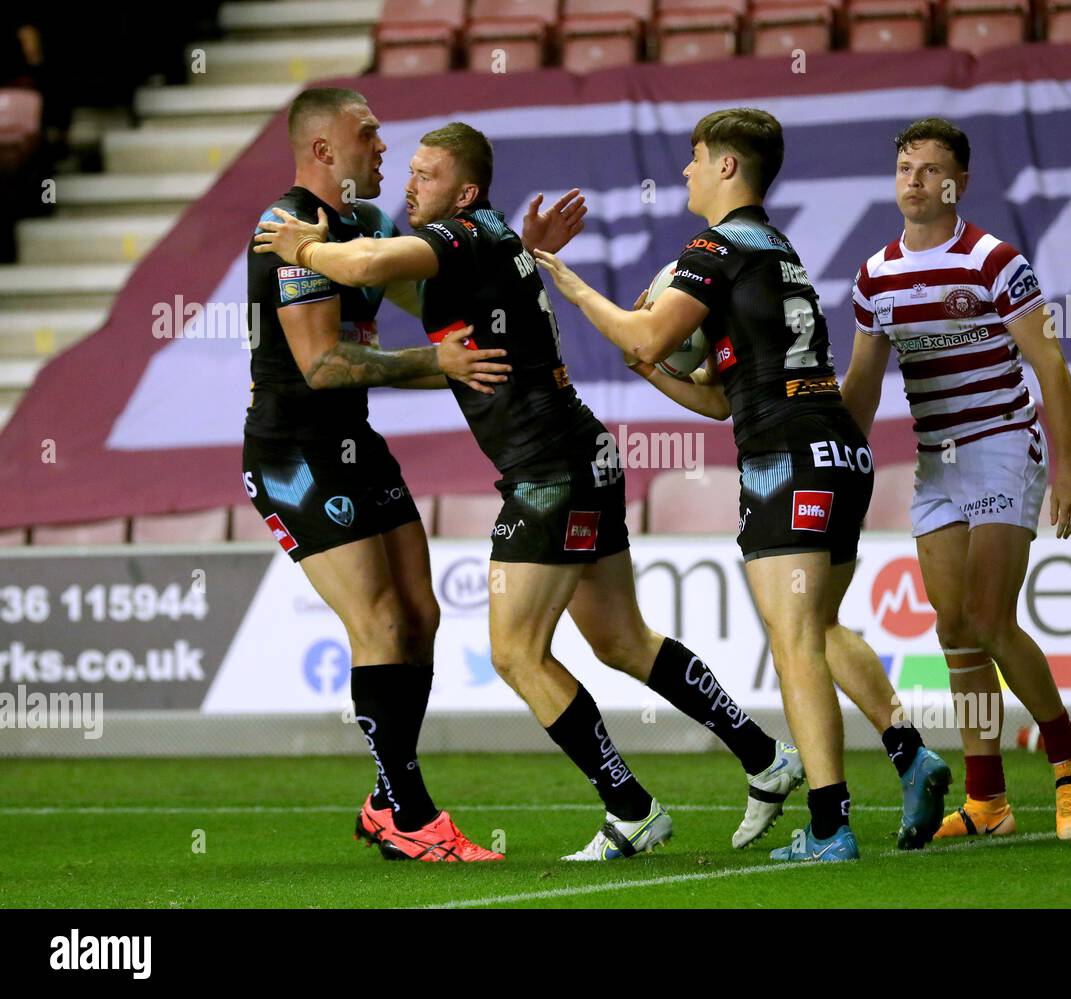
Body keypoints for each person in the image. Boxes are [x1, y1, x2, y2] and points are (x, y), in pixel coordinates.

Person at [255, 121, 804, 862]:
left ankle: (630, 807)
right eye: (407, 170)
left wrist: (305, 250)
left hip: (549, 472)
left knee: (516, 652)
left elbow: (369, 263)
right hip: (584, 454)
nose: (409, 182)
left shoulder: (457, 236)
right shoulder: (487, 239)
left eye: (426, 172)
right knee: (621, 639)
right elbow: (414, 293)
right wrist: (508, 255)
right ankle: (765, 757)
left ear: (466, 190)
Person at [534, 107, 952, 862]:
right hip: (838, 453)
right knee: (818, 631)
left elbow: (646, 333)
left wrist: (574, 289)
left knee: (793, 645)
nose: (687, 171)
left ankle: (829, 827)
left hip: (785, 459)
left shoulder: (714, 247)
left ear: (727, 167)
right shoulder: (776, 249)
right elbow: (719, 396)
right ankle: (910, 754)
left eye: (695, 158)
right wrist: (651, 366)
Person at [244, 87, 522, 863]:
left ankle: (386, 796)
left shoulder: (365, 226)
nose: (383, 148)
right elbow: (324, 362)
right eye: (368, 136)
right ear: (325, 150)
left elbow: (428, 302)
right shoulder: (283, 228)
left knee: (423, 616)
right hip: (291, 453)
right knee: (380, 623)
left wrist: (519, 274)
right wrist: (438, 362)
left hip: (352, 441)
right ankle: (408, 809)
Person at [841, 117, 1071, 842]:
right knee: (954, 629)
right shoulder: (875, 276)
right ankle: (987, 800)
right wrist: (831, 461)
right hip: (935, 460)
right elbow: (861, 388)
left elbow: (1049, 362)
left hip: (1002, 446)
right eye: (904, 168)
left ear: (958, 182)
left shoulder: (995, 260)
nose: (914, 181)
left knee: (988, 617)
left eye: (929, 169)